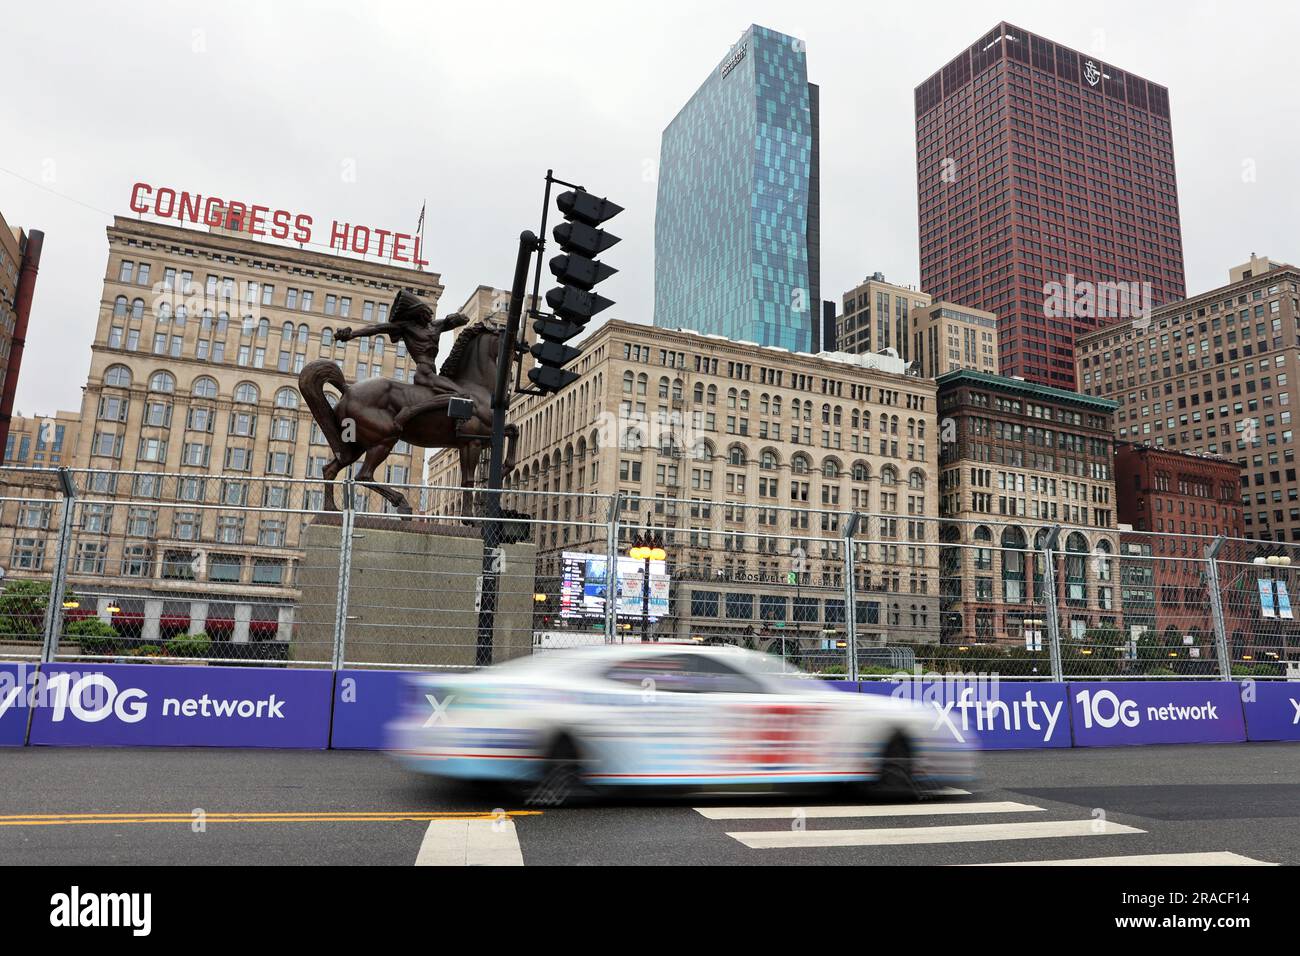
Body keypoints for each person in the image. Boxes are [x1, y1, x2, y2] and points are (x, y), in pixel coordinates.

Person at [335, 290, 470, 428]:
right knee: (462, 394)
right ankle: (412, 411)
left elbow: (461, 320)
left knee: (453, 393)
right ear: (417, 314)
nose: (429, 315)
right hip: (424, 373)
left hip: (433, 372)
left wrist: (456, 318)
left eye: (429, 312)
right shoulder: (407, 327)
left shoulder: (436, 325)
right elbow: (376, 328)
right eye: (425, 312)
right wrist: (352, 334)